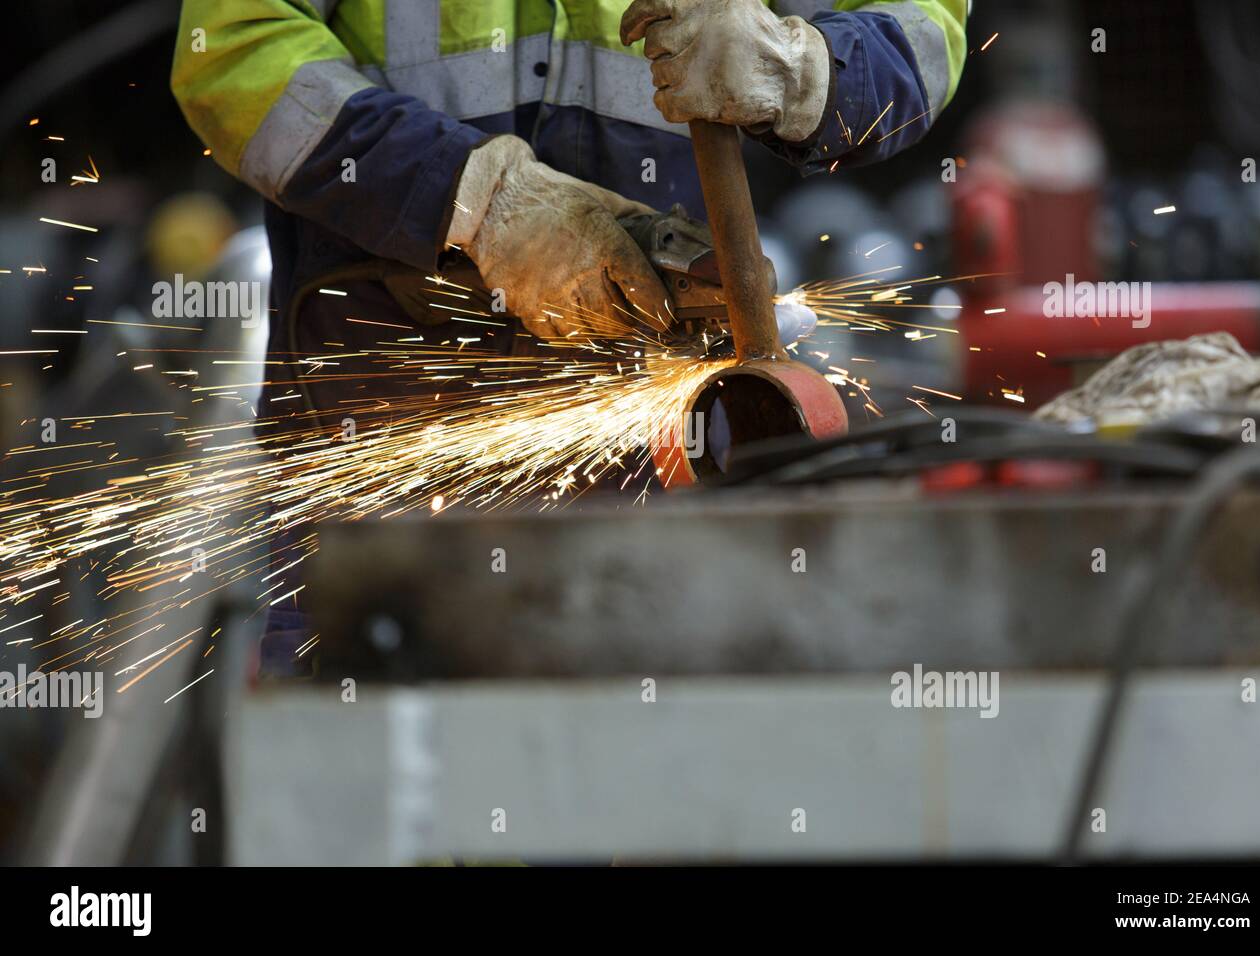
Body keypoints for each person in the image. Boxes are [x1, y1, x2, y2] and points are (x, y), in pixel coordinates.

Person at [170, 0, 967, 674]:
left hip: (660, 473)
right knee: (376, 805)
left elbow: (925, 28)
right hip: (380, 462)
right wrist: (477, 198)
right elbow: (233, 49)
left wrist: (804, 71)